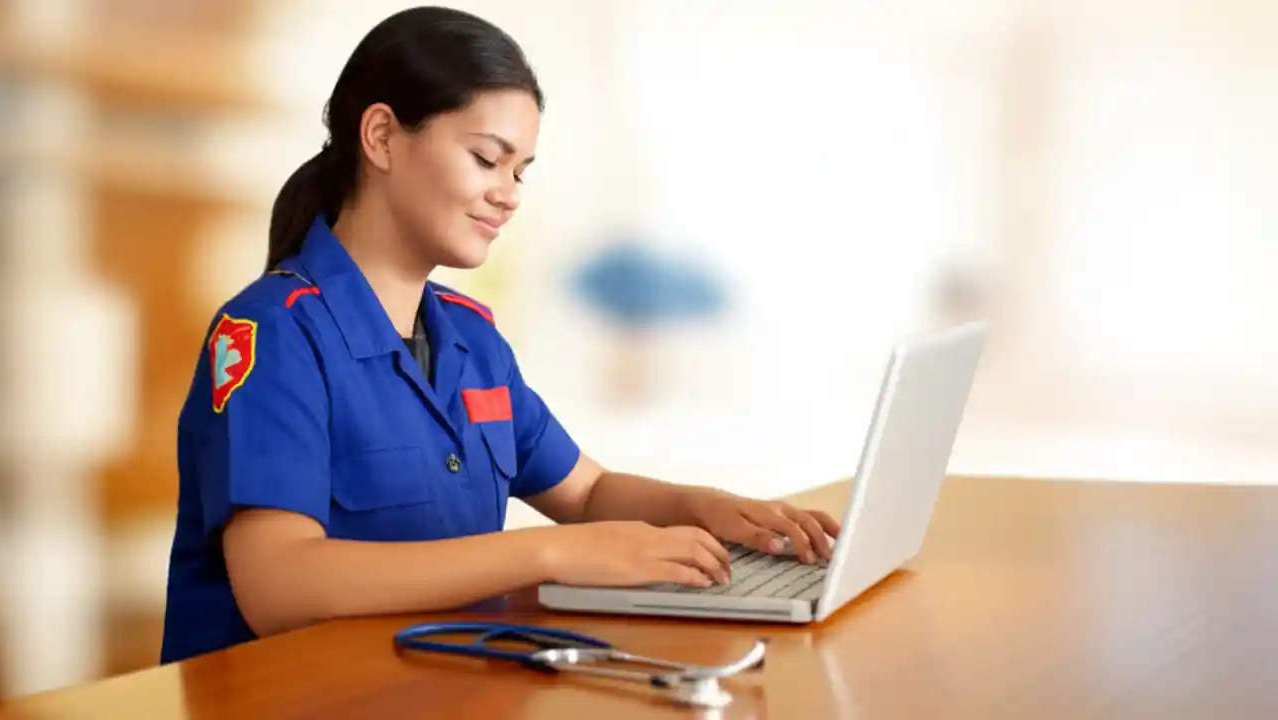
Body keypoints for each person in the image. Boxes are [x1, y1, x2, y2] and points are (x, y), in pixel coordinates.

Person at [161, 6, 840, 664]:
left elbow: (585, 494)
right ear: (381, 137)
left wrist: (710, 508)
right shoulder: (274, 332)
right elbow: (279, 587)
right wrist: (547, 553)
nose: (509, 194)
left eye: (520, 171)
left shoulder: (471, 336)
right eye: (488, 159)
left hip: (436, 685)